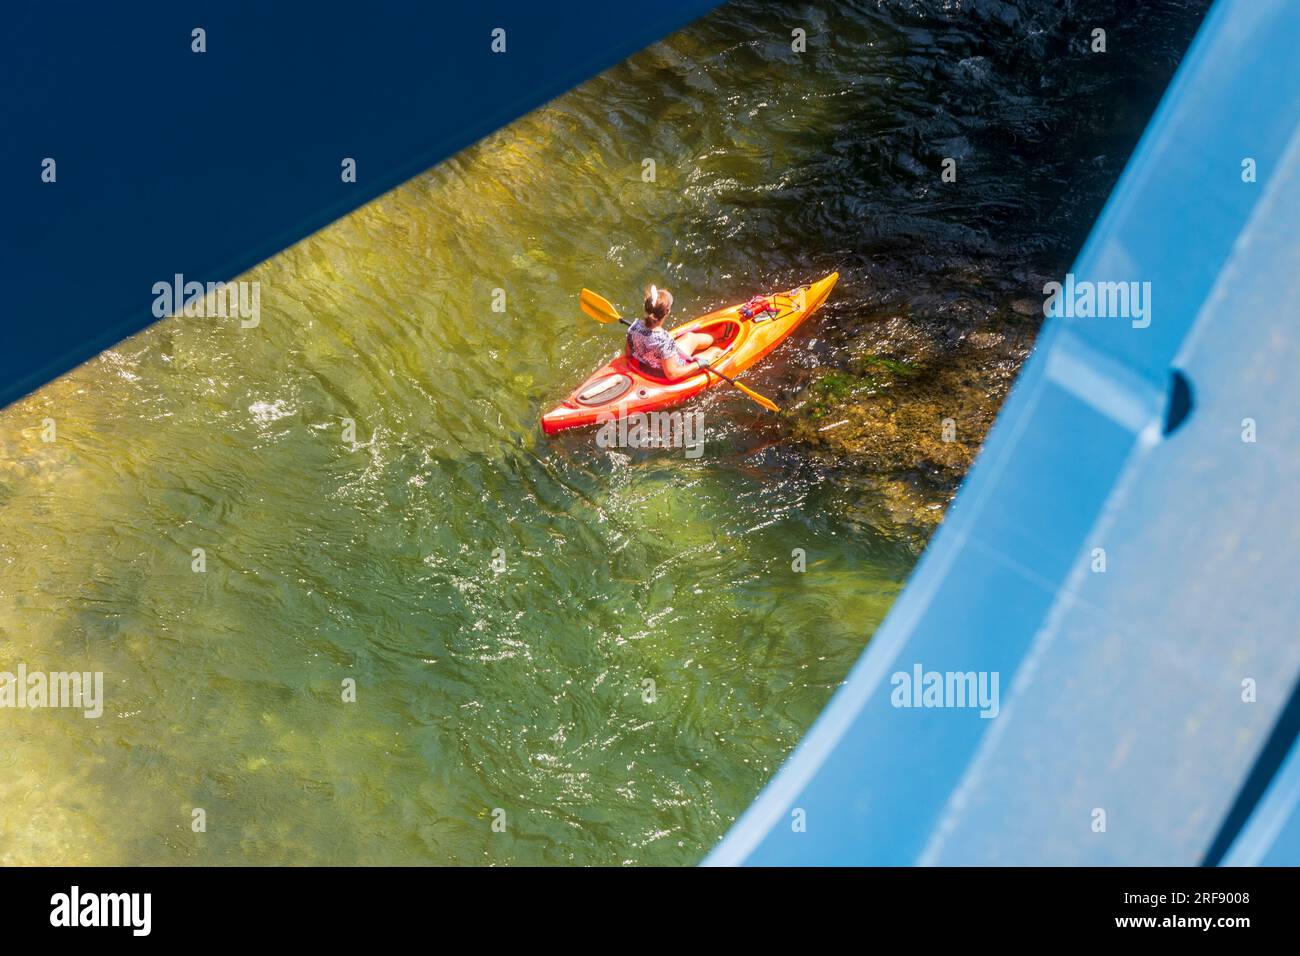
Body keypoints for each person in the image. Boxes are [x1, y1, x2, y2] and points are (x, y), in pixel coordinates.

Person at [626, 285, 724, 380]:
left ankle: (719, 335)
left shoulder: (634, 326)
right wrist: (697, 364)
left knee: (690, 337)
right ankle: (722, 343)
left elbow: (628, 354)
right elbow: (672, 375)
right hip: (669, 371)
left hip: (646, 365)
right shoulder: (664, 341)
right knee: (715, 351)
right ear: (667, 311)